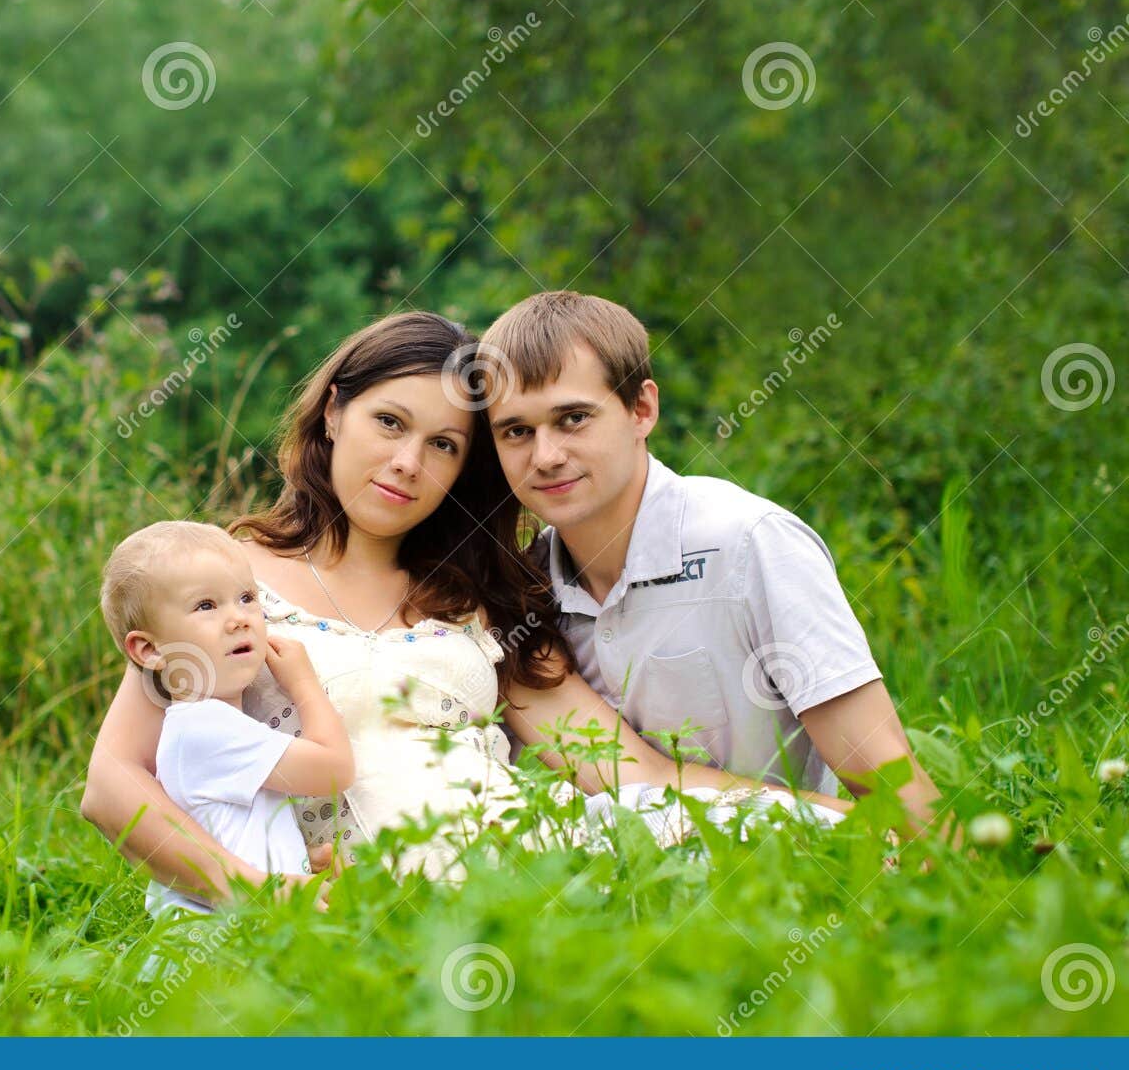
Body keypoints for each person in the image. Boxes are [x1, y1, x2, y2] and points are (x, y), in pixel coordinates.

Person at [83, 312, 849, 904]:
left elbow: (630, 771)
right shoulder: (225, 580)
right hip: (356, 893)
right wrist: (268, 896)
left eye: (444, 445)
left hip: (524, 871)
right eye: (390, 422)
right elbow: (115, 782)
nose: (407, 463)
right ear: (334, 412)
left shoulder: (475, 598)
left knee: (804, 831)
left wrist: (823, 813)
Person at [476, 291, 945, 831]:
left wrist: (961, 863)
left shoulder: (749, 545)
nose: (546, 456)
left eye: (573, 418)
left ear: (641, 410)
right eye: (517, 431)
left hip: (792, 865)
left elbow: (888, 778)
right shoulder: (522, 590)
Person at [99, 521, 353, 914]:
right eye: (206, 605)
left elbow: (233, 832)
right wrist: (304, 684)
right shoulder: (207, 728)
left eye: (247, 597)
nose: (239, 618)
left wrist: (299, 861)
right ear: (150, 650)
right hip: (215, 943)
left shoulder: (206, 727)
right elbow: (334, 771)